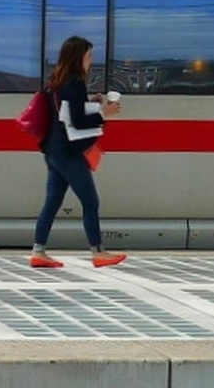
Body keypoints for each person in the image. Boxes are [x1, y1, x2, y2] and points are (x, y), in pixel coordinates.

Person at [30, 35, 127, 269]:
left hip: (53, 150)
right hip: (69, 153)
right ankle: (98, 252)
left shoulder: (56, 80)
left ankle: (38, 252)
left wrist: (91, 102)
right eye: (88, 55)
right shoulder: (74, 83)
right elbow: (78, 121)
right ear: (78, 57)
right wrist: (104, 113)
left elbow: (67, 112)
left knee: (52, 202)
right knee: (90, 201)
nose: (91, 60)